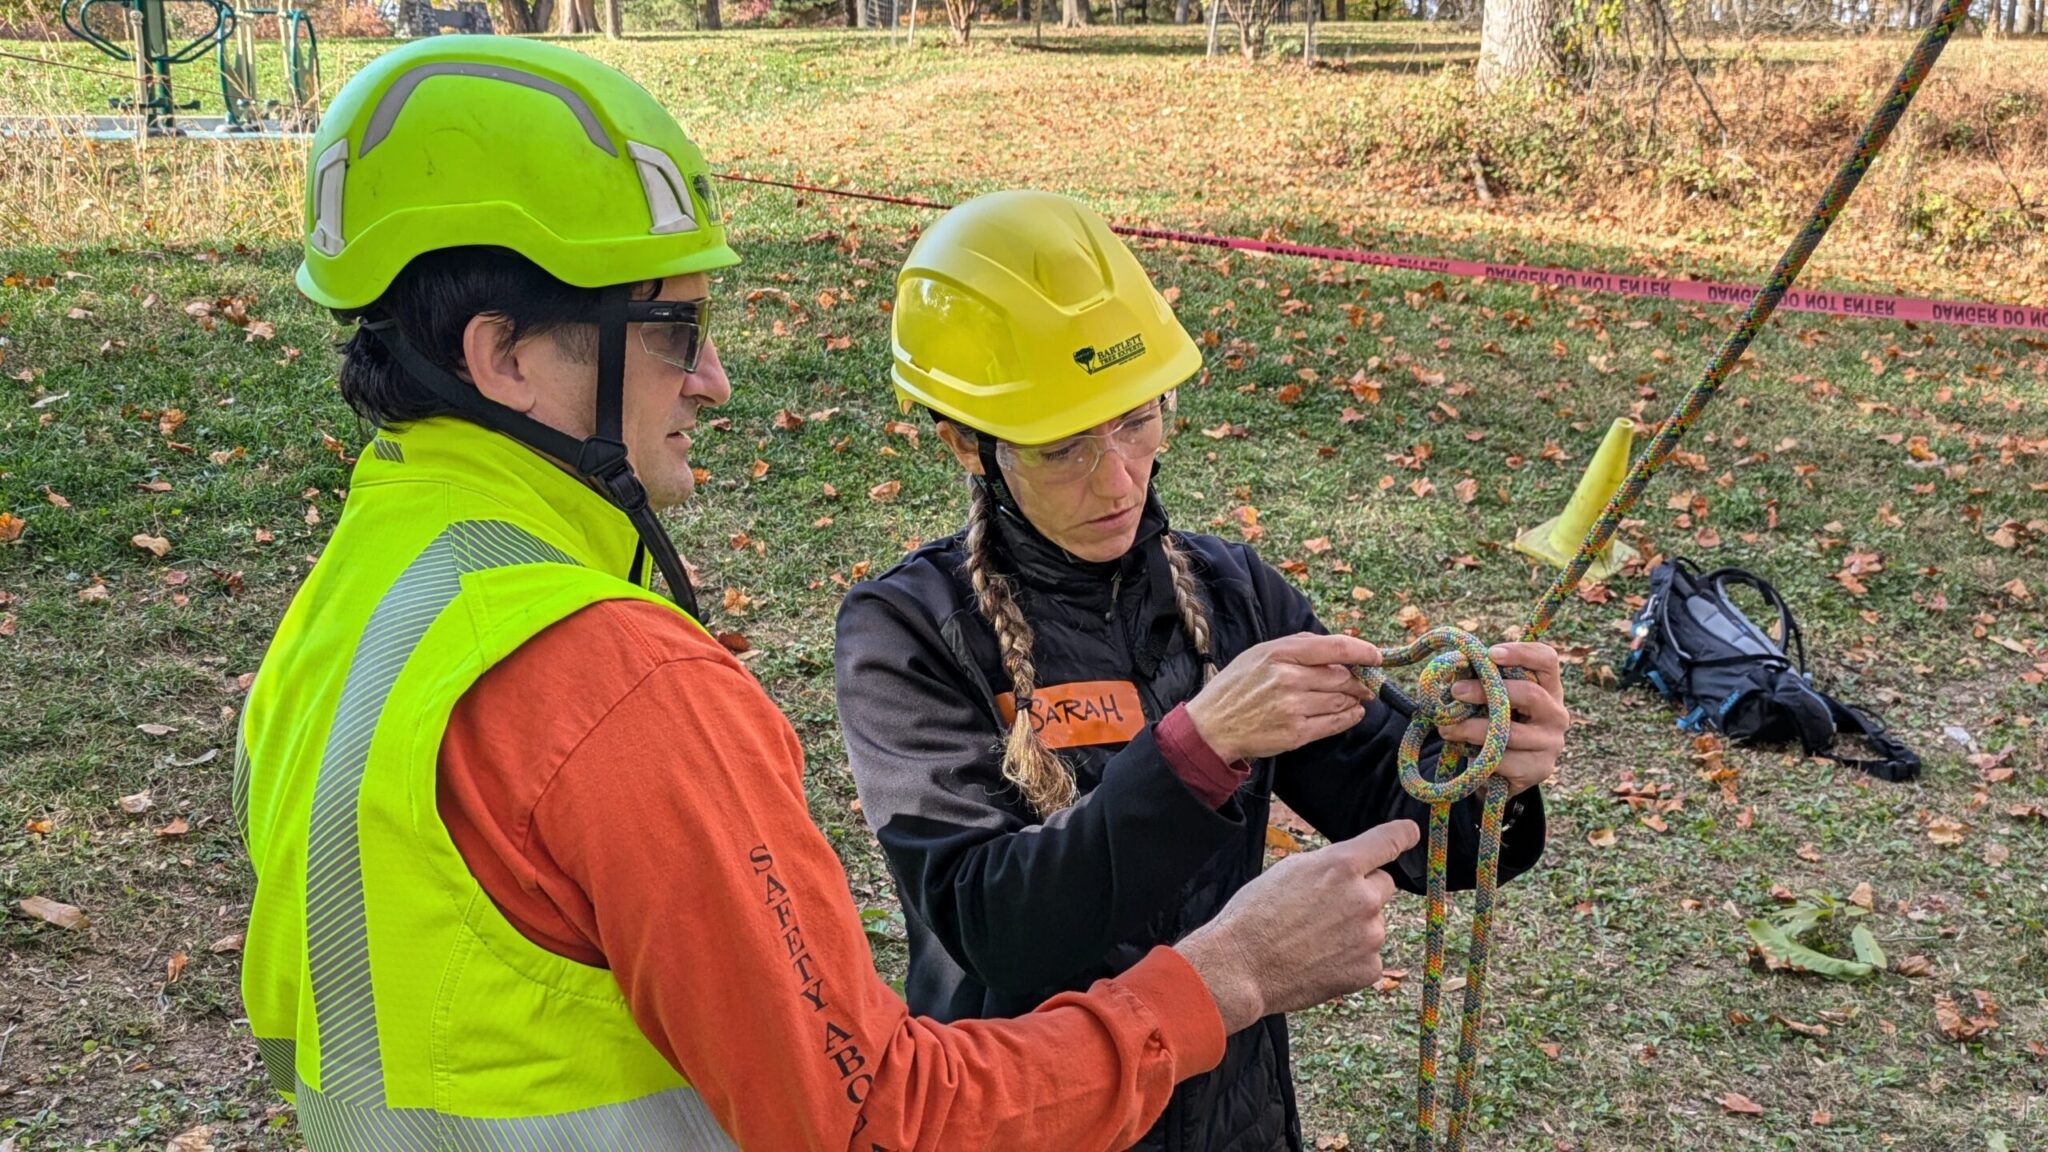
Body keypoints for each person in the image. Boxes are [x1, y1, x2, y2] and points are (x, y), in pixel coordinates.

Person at [234, 36, 1417, 1152]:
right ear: (503, 357)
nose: (713, 379)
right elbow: (869, 1115)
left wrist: (1471, 761)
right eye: (671, 330)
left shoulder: (355, 608)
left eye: (1136, 420)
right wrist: (1225, 975)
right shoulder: (621, 685)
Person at [834, 190, 1568, 1152]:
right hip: (1036, 1113)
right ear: (967, 443)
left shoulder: (1233, 596)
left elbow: (1424, 832)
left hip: (1234, 1118)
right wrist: (1199, 746)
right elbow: (995, 926)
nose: (1117, 478)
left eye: (1136, 420)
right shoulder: (908, 632)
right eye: (1062, 447)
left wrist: (1490, 771)